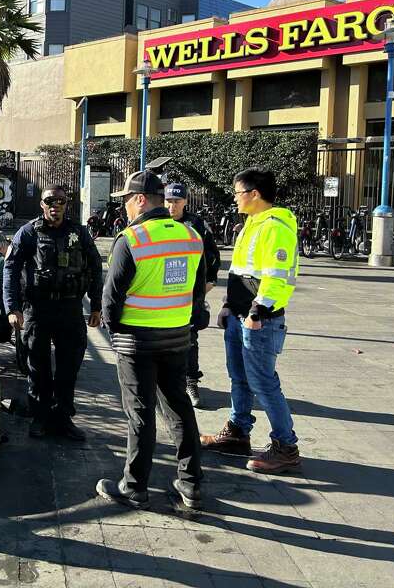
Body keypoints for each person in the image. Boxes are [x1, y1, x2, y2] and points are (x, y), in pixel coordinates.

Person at [95, 171, 206, 510]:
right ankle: (191, 484)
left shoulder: (132, 238)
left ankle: (134, 487)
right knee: (180, 409)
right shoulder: (191, 236)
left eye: (127, 200)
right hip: (177, 337)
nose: (125, 208)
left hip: (136, 341)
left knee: (140, 413)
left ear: (140, 200)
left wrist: (114, 333)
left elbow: (110, 298)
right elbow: (197, 292)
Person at [201, 167, 301, 474]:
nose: (235, 199)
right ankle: (238, 431)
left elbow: (277, 275)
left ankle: (286, 446)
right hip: (240, 317)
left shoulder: (276, 226)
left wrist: (258, 311)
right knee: (239, 377)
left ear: (254, 194)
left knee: (264, 383)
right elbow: (241, 272)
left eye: (238, 193)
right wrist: (230, 305)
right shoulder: (252, 224)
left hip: (260, 320)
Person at [3, 185, 103, 441]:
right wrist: (12, 308)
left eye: (60, 201)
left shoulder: (79, 233)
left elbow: (94, 266)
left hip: (70, 308)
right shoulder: (28, 233)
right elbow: (11, 269)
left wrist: (96, 306)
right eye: (50, 200)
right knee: (38, 367)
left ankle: (62, 418)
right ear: (42, 204)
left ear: (66, 204)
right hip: (37, 309)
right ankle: (41, 417)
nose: (55, 205)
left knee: (69, 367)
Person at [165, 183, 221, 408]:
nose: (172, 205)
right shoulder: (157, 222)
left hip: (189, 294)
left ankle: (190, 381)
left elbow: (212, 257)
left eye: (177, 201)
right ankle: (169, 382)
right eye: (169, 201)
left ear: (185, 202)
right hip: (162, 293)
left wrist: (206, 285)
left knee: (189, 339)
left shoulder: (196, 225)